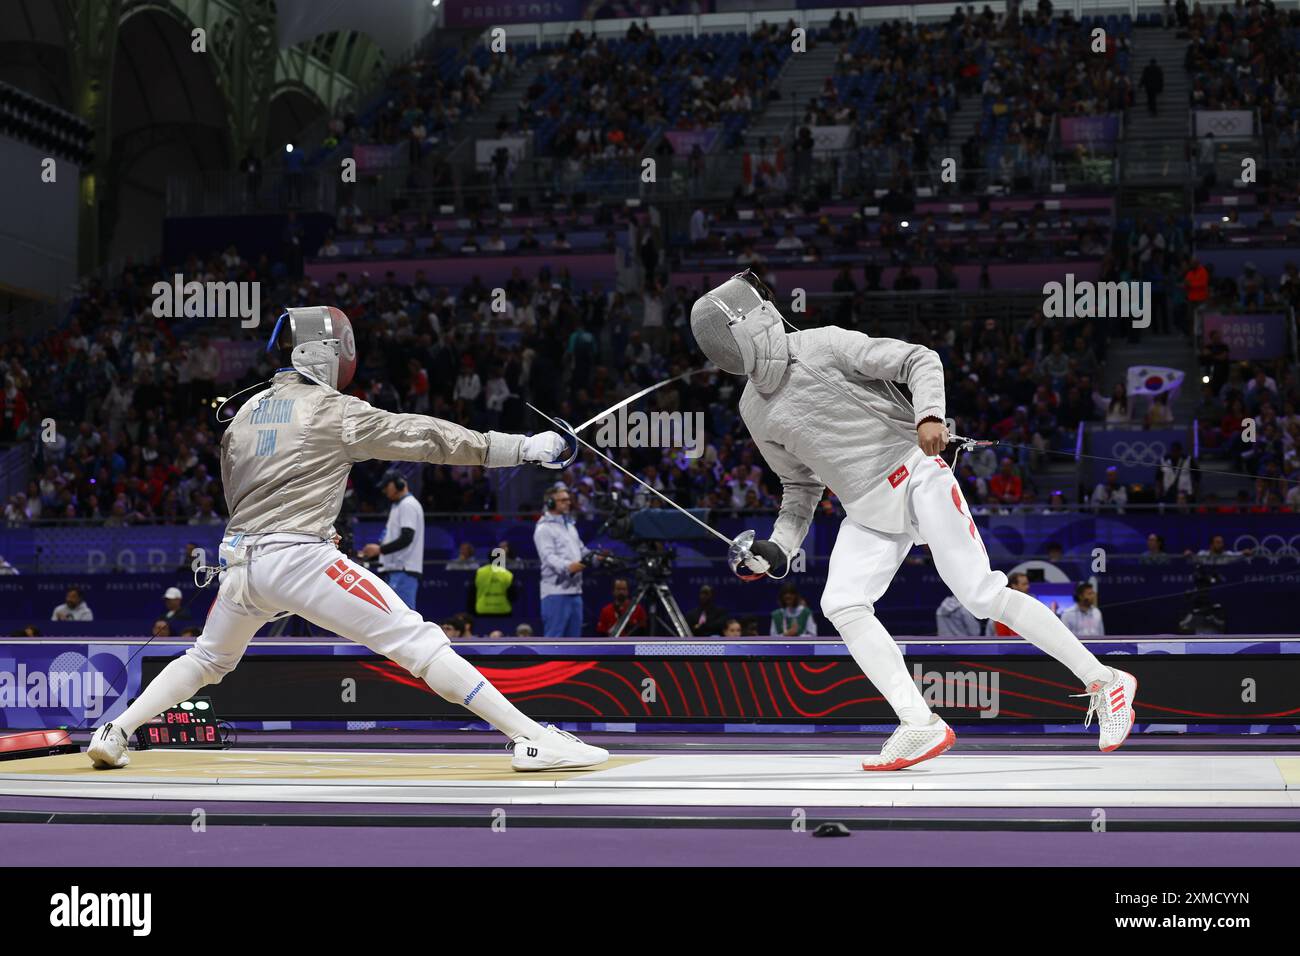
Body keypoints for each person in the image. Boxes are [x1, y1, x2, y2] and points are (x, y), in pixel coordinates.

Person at [87, 305, 605, 772]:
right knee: (416, 639)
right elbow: (422, 435)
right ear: (331, 354)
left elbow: (246, 492)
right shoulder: (331, 410)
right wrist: (523, 448)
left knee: (208, 659)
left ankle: (117, 730)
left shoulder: (243, 413)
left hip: (240, 566)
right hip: (298, 562)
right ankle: (531, 738)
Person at [690, 270, 1135, 770]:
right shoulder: (754, 410)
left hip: (917, 475)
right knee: (842, 603)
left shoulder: (825, 345)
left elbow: (919, 358)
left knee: (980, 594)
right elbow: (799, 489)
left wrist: (929, 416)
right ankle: (919, 723)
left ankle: (1106, 680)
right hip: (866, 512)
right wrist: (778, 549)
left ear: (751, 322)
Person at [533, 483, 592, 636]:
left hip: (576, 592)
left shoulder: (570, 526)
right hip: (555, 593)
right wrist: (569, 567)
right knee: (554, 643)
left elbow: (581, 549)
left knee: (574, 644)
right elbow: (548, 557)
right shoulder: (544, 528)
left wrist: (596, 556)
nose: (568, 502)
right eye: (563, 500)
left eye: (568, 499)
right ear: (551, 503)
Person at [360, 469, 424, 610]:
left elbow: (407, 537)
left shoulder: (408, 504)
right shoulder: (399, 505)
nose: (384, 490)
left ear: (399, 484)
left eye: (386, 486)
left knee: (403, 617)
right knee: (395, 617)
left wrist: (379, 550)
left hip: (403, 570)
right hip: (396, 570)